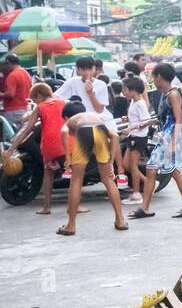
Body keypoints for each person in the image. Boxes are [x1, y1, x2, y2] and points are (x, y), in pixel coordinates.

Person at [56, 100, 129, 236]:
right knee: (108, 179)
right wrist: (111, 162)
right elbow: (115, 136)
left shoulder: (70, 121)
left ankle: (70, 225)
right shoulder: (95, 117)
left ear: (66, 117)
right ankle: (120, 220)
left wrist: (67, 157)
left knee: (76, 180)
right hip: (100, 131)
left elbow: (64, 131)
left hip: (84, 131)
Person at [141, 62, 182, 219]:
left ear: (159, 77)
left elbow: (178, 119)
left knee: (173, 171)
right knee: (152, 168)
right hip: (166, 135)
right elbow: (167, 118)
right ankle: (144, 207)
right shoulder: (166, 93)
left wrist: (173, 142)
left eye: (153, 77)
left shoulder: (173, 94)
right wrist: (149, 122)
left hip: (171, 136)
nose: (153, 80)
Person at [1, 82, 64, 215]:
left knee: (48, 173)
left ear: (40, 95)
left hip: (50, 144)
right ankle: (77, 206)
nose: (35, 102)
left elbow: (27, 129)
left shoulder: (39, 107)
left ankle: (46, 207)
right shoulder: (63, 103)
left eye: (35, 99)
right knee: (75, 173)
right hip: (66, 143)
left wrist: (11, 149)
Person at [121, 76, 153, 207]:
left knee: (133, 166)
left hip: (138, 137)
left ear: (133, 90)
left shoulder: (140, 103)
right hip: (133, 136)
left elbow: (147, 121)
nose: (124, 92)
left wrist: (132, 127)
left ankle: (137, 193)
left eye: (126, 90)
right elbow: (135, 118)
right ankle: (148, 182)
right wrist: (127, 119)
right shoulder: (133, 101)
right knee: (126, 164)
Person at [1, 54, 33, 130]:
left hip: (13, 110)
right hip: (25, 108)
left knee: (12, 136)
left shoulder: (12, 75)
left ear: (8, 62)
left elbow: (11, 94)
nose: (3, 68)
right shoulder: (26, 73)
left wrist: (1, 94)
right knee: (22, 134)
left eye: (4, 65)